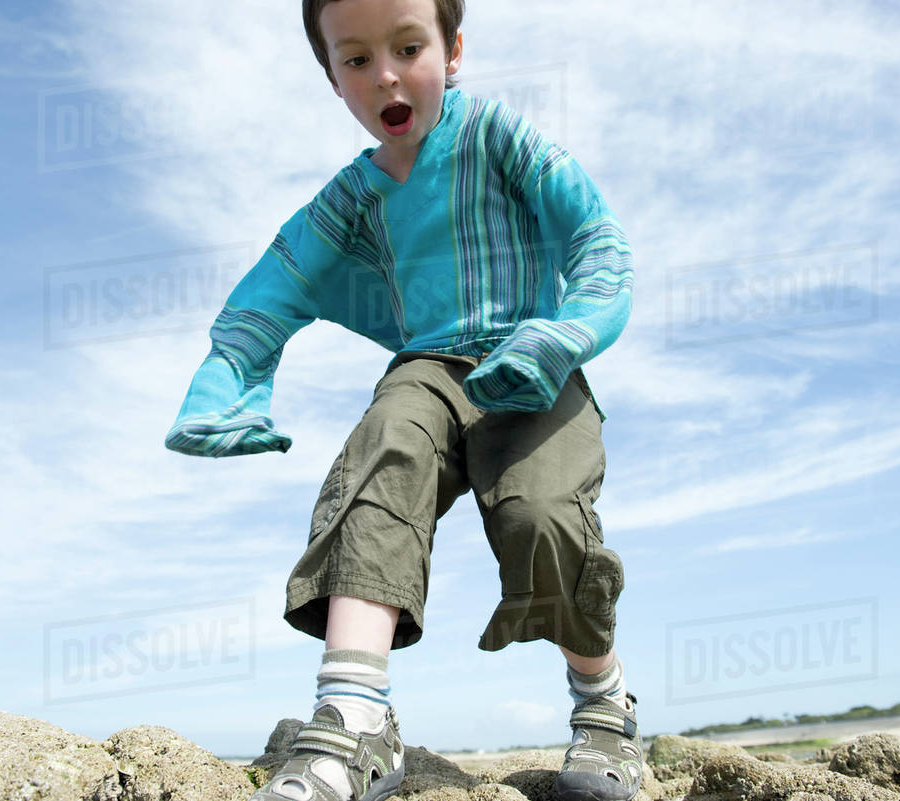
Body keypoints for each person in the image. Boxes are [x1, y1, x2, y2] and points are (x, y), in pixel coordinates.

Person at [164, 1, 640, 800]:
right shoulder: (352, 197)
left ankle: (603, 704)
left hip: (534, 360)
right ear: (334, 80)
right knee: (385, 453)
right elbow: (272, 288)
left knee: (540, 514)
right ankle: (353, 718)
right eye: (355, 59)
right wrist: (228, 378)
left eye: (408, 46)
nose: (385, 73)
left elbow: (600, 241)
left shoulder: (499, 139)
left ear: (452, 50)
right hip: (427, 366)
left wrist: (563, 335)